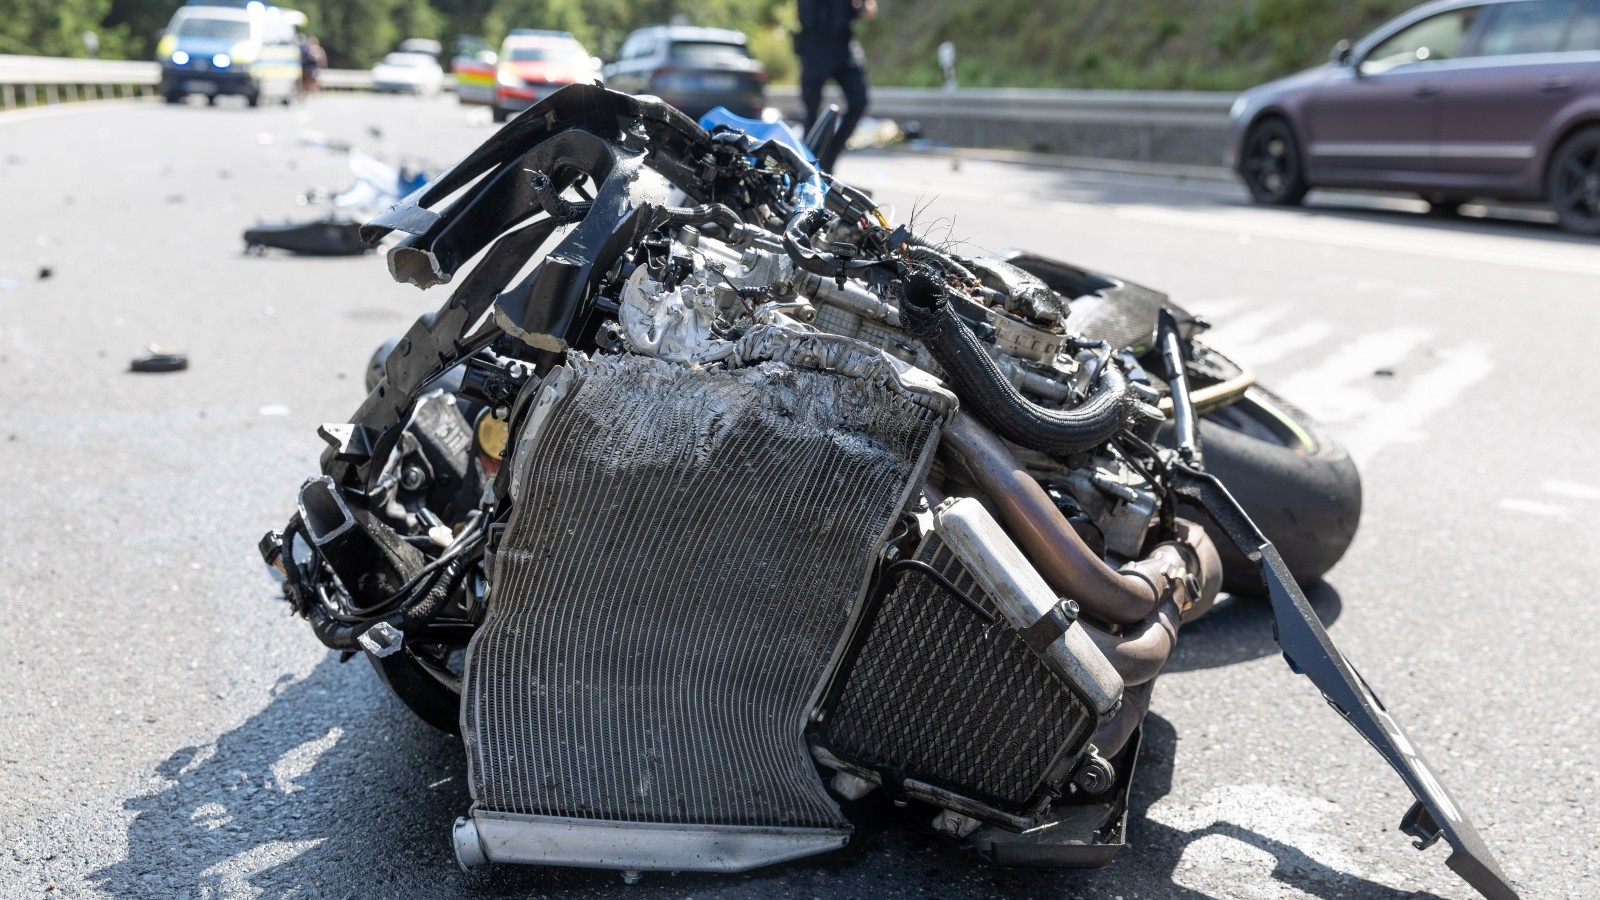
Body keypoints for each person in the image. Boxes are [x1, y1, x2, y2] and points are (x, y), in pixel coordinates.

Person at [797, 0, 876, 173]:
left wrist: (863, 6)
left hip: (843, 45)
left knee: (859, 102)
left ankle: (828, 159)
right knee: (811, 113)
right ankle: (809, 168)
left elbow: (869, 10)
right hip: (815, 44)